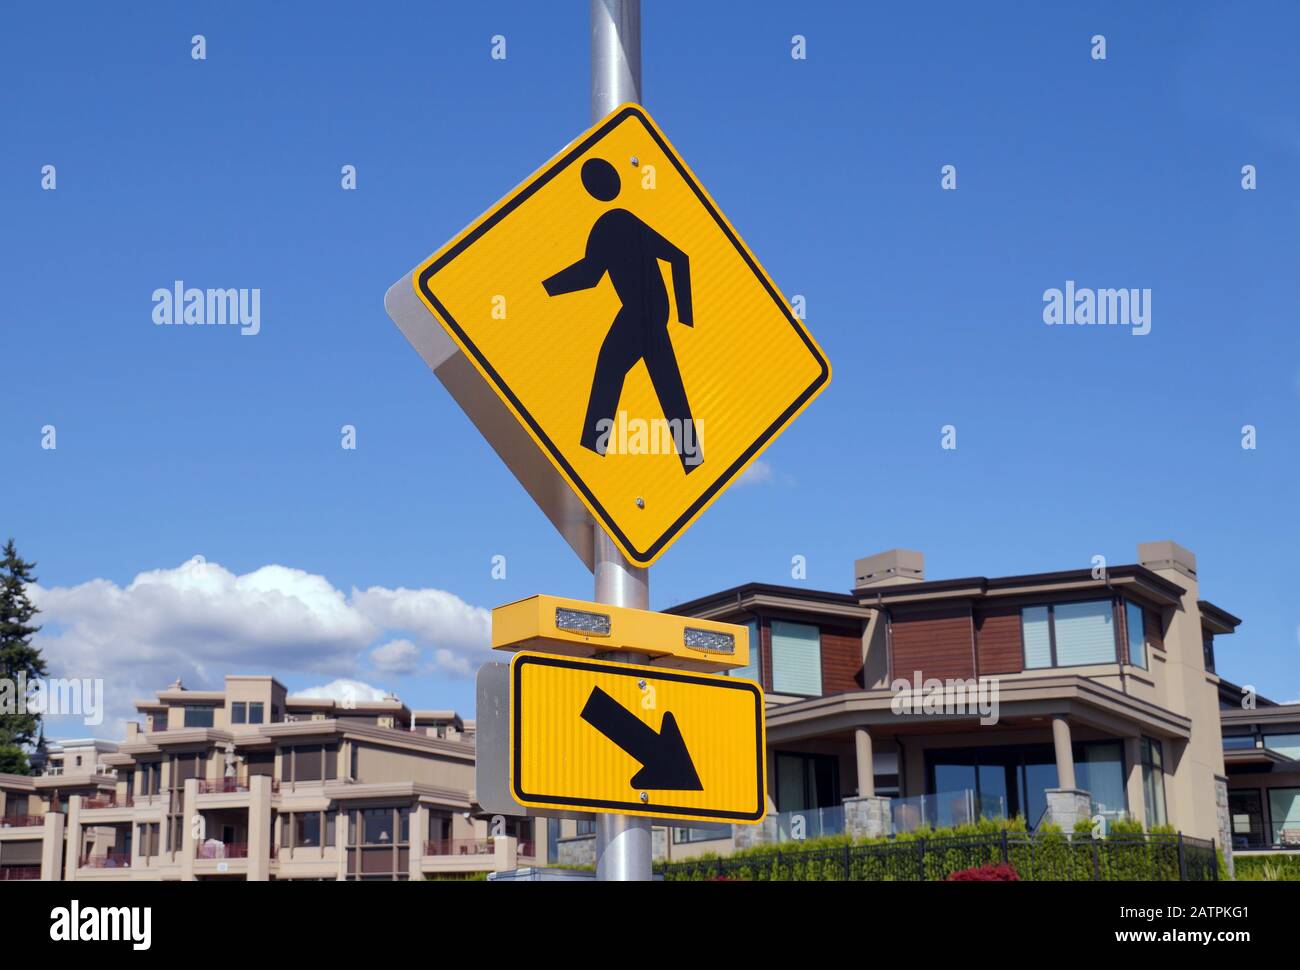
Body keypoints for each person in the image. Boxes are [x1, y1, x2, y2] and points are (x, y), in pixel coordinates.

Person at [543, 158, 701, 472]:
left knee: (610, 371)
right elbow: (678, 258)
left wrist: (544, 288)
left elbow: (590, 274)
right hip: (654, 313)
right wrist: (681, 315)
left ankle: (591, 454)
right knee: (668, 389)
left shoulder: (610, 224)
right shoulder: (623, 220)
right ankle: (692, 459)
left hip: (639, 313)